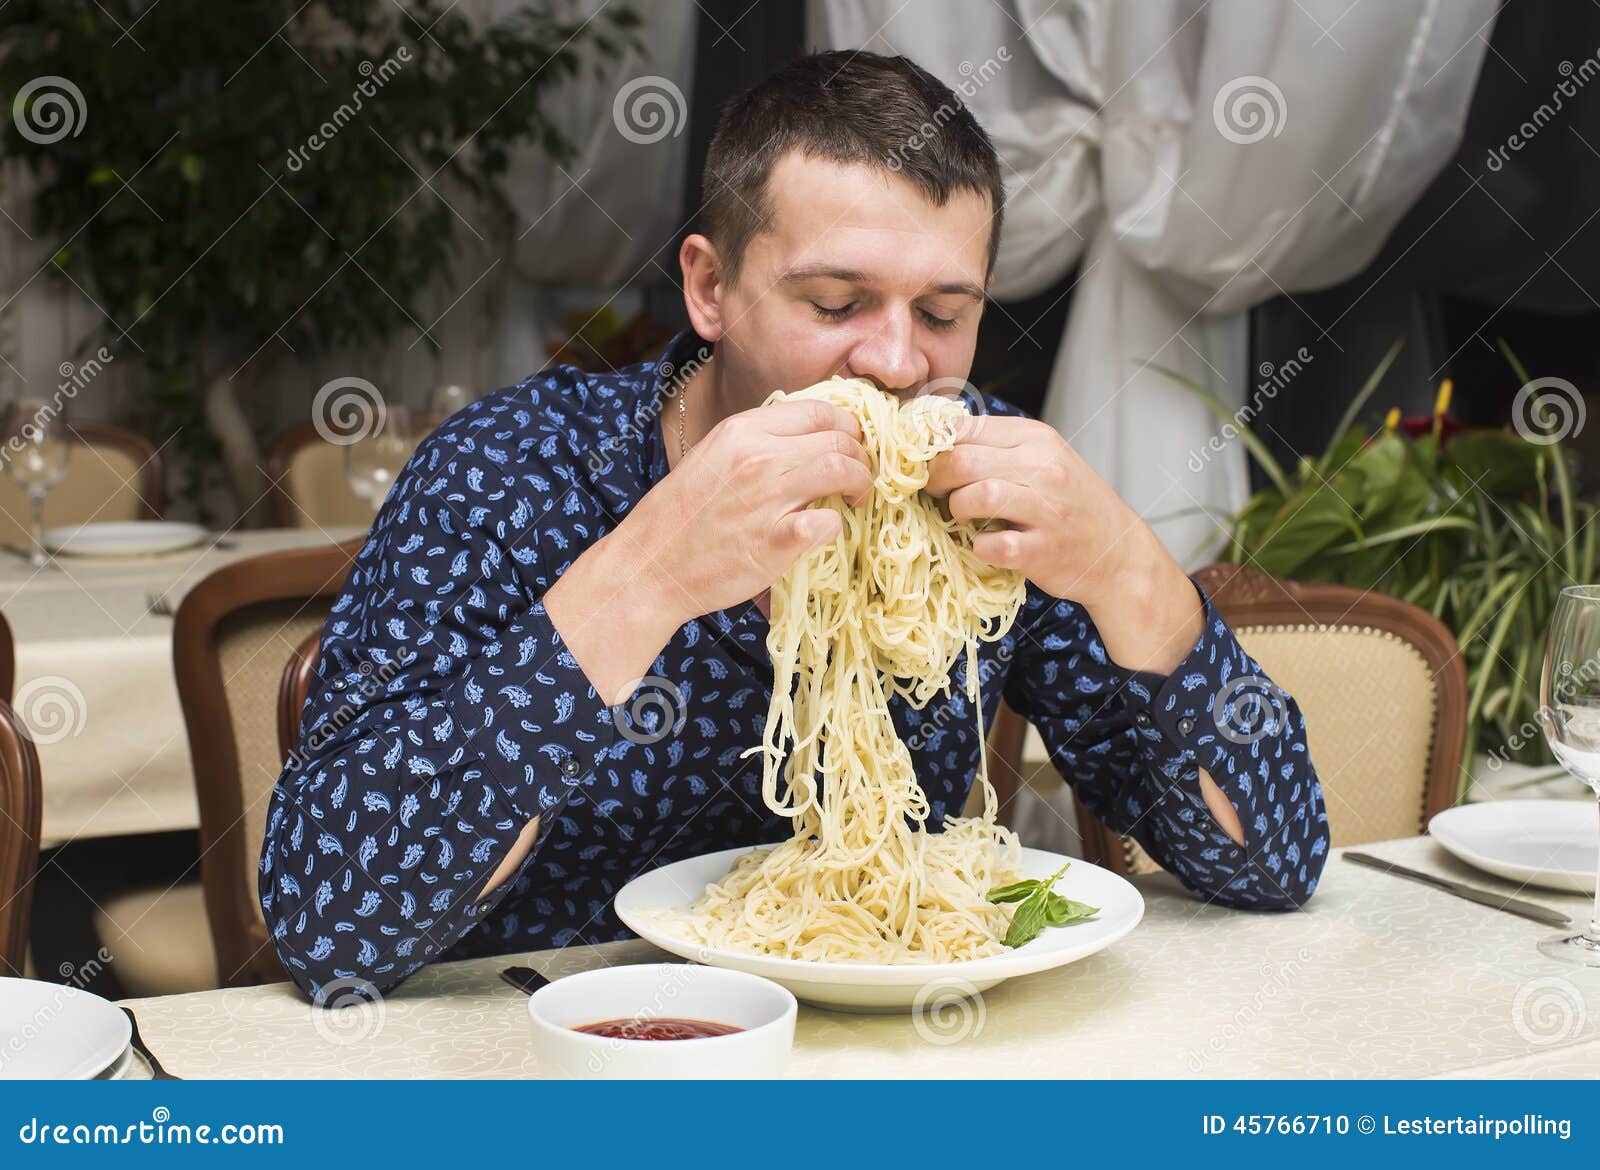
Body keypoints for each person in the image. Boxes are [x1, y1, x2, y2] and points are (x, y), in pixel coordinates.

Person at [260, 50, 1328, 1001]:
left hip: (910, 1051)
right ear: (711, 287)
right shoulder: (507, 473)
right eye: (835, 304)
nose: (898, 363)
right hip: (572, 1062)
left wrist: (1129, 574)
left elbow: (1273, 864)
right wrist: (644, 579)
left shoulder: (983, 483)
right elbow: (330, 927)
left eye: (944, 314)